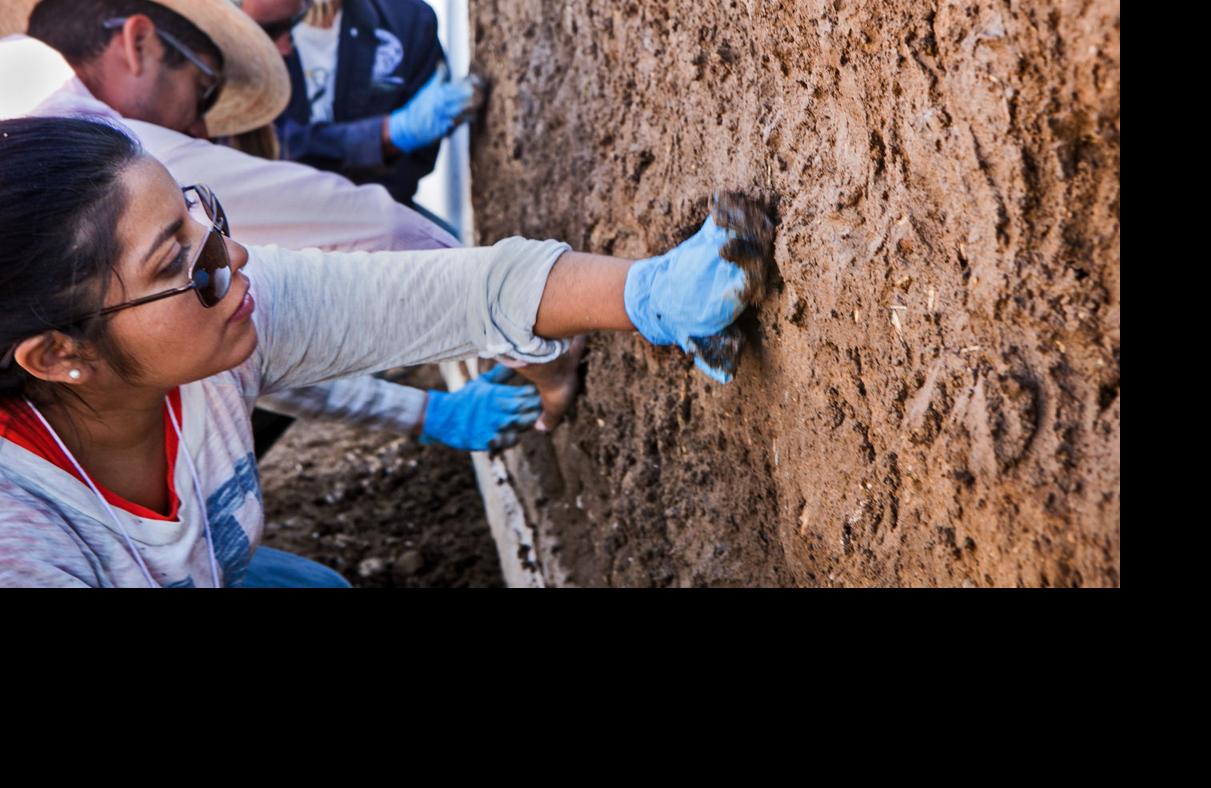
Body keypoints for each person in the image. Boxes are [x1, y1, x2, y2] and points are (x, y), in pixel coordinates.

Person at [0, 116, 757, 588]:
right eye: (178, 262)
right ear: (58, 355)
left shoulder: (222, 318)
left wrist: (646, 293)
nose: (234, 257)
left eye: (202, 218)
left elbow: (450, 293)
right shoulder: (23, 545)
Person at [3, 0, 584, 454]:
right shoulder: (116, 163)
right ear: (139, 43)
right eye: (204, 91)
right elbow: (387, 233)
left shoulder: (24, 142)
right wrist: (529, 329)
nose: (200, 129)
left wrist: (424, 413)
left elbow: (246, 345)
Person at [238, 0, 481, 209]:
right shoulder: (246, 23)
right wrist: (388, 134)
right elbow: (261, 149)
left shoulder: (410, 20)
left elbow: (414, 164)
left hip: (380, 213)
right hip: (276, 217)